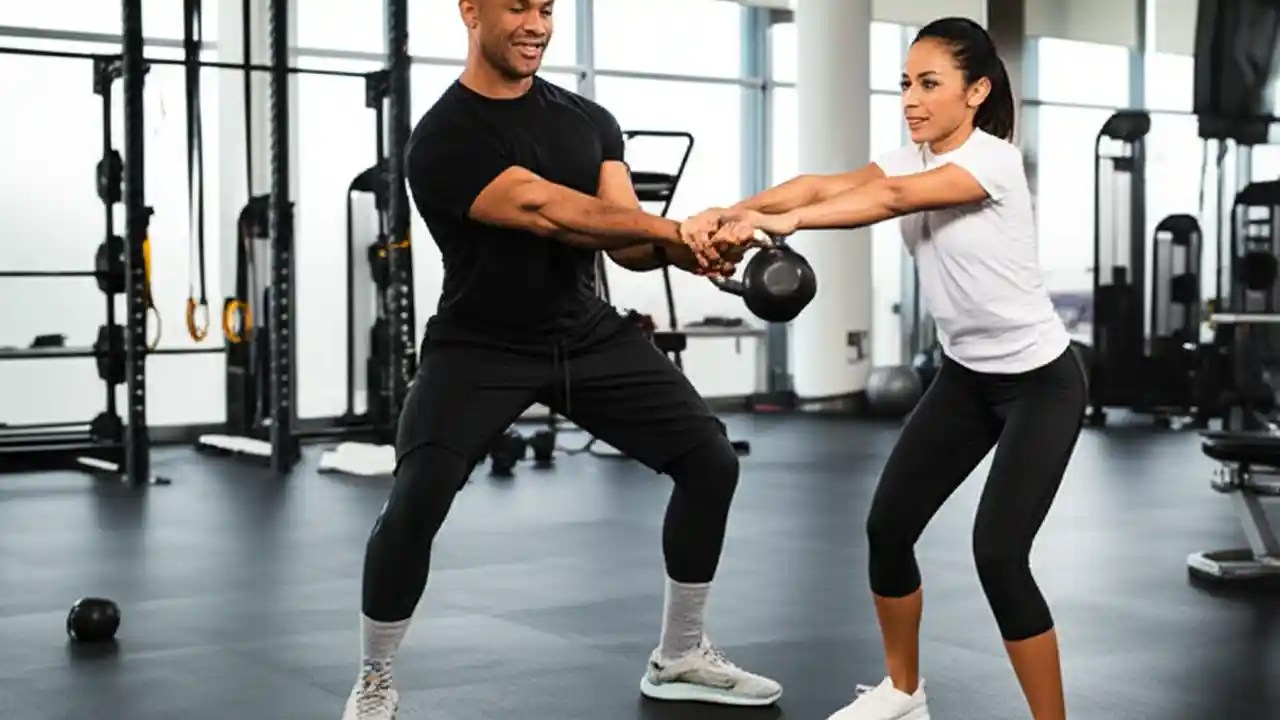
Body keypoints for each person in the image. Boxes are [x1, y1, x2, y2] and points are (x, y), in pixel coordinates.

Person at [340, 1, 783, 718]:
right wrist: (676, 226)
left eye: (547, 8)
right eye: (518, 6)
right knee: (417, 498)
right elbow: (549, 211)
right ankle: (374, 677)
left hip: (585, 333)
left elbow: (625, 245)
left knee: (710, 461)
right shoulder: (443, 139)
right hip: (480, 343)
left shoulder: (588, 120)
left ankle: (680, 654)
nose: (537, 24)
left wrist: (696, 246)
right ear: (470, 10)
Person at [694, 16, 1084, 720]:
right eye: (904, 82)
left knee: (998, 553)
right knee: (888, 528)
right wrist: (740, 209)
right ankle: (904, 692)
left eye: (929, 83)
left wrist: (783, 226)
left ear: (976, 92)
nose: (910, 97)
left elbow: (886, 202)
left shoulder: (990, 160)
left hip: (1040, 384)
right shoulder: (914, 156)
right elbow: (824, 184)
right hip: (965, 379)